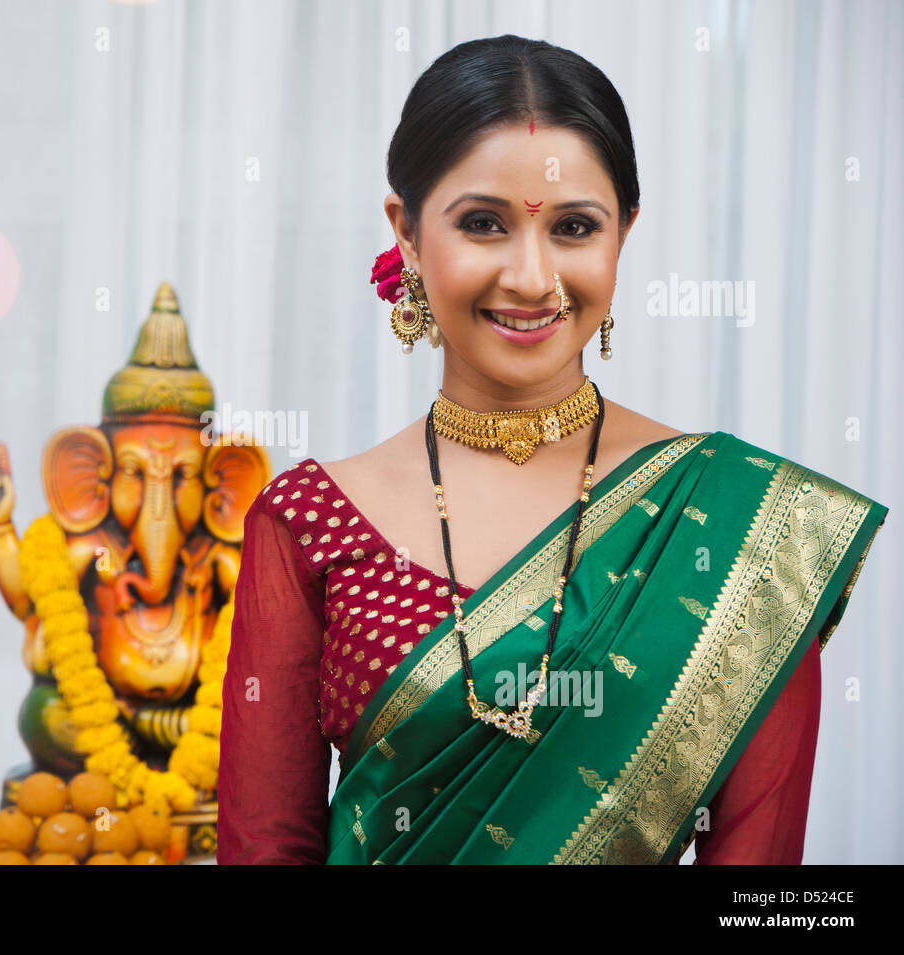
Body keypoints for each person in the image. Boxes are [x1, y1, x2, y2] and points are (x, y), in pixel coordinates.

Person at [215, 35, 889, 864]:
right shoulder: (310, 521)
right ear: (409, 232)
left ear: (624, 234)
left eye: (574, 227)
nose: (533, 278)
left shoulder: (745, 531)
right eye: (482, 224)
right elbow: (264, 845)